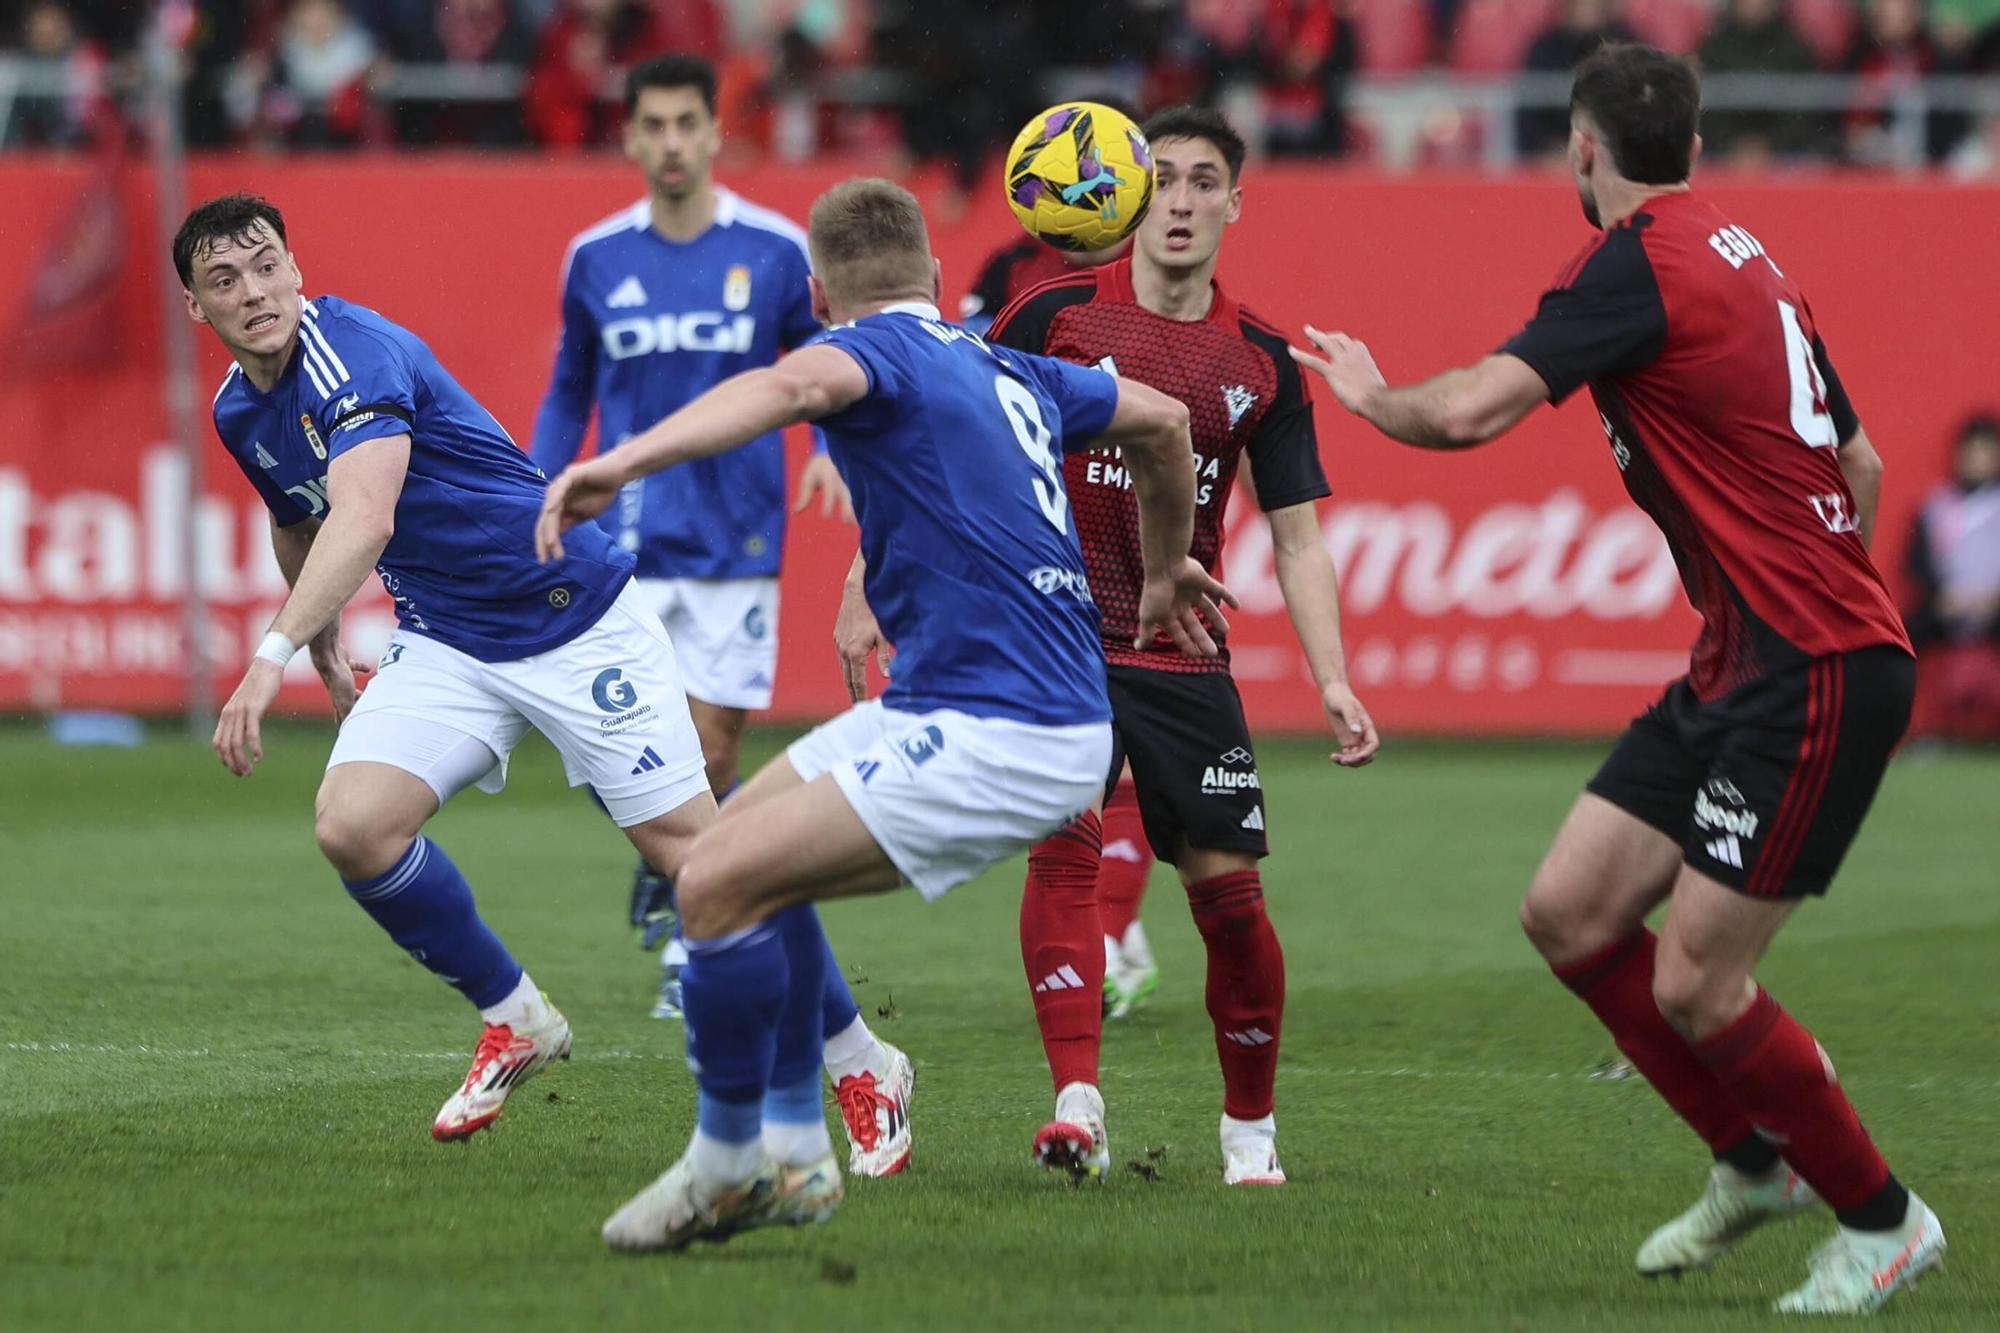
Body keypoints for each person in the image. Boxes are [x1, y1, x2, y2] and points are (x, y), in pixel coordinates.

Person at [1288, 43, 1945, 1315]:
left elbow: (1474, 410)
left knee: (1696, 980)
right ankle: (1751, 1163)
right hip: (1749, 656)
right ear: (1691, 150)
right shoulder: (1748, 259)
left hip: (1802, 667)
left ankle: (1882, 1218)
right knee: (1570, 913)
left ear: (1580, 150)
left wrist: (1369, 397)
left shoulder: (1629, 265)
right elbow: (1857, 465)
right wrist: (1791, 578)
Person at [535, 177, 1230, 1250]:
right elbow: (1166, 419)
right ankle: (802, 1158)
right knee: (727, 854)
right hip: (994, 707)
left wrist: (620, 462)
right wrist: (1164, 562)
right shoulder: (1004, 363)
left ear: (817, 292)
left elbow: (787, 387)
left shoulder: (873, 355)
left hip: (1005, 729)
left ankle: (728, 1169)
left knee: (713, 884)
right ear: (940, 280)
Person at [183, 192, 715, 1143]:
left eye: (267, 265)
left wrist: (264, 662)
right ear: (197, 307)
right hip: (448, 637)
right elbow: (296, 517)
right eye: (224, 280)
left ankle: (861, 1060)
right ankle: (516, 1016)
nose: (254, 291)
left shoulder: (354, 354)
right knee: (354, 826)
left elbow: (366, 515)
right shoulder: (236, 407)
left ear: (297, 268)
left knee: (704, 868)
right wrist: (324, 653)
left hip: (571, 615)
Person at [973, 105, 1377, 1186]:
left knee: (1231, 905)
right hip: (1055, 639)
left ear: (1234, 206)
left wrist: (1332, 678)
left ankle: (1249, 1129)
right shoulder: (1048, 313)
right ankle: (1076, 1101)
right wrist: (875, 584)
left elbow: (1295, 537)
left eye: (1207, 182)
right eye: (1167, 179)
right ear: (1128, 194)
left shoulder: (1264, 363)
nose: (1184, 200)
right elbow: (955, 447)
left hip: (1180, 654)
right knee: (1057, 857)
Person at [528, 53, 911, 1177]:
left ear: (713, 131)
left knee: (708, 749)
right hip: (622, 543)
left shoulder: (771, 250)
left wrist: (839, 453)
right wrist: (535, 492)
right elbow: (567, 385)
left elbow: (831, 361)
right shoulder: (595, 257)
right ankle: (702, 898)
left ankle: (698, 906)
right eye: (650, 125)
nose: (671, 142)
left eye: (687, 122)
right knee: (648, 757)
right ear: (632, 136)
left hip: (738, 537)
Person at [1905, 413, 2000, 741]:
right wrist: (1941, 596)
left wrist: (1992, 600)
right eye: (1971, 451)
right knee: (1900, 641)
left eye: (1985, 451)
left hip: (1993, 608)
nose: (1977, 459)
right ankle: (1909, 730)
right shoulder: (1937, 505)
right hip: (1946, 607)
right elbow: (1917, 563)